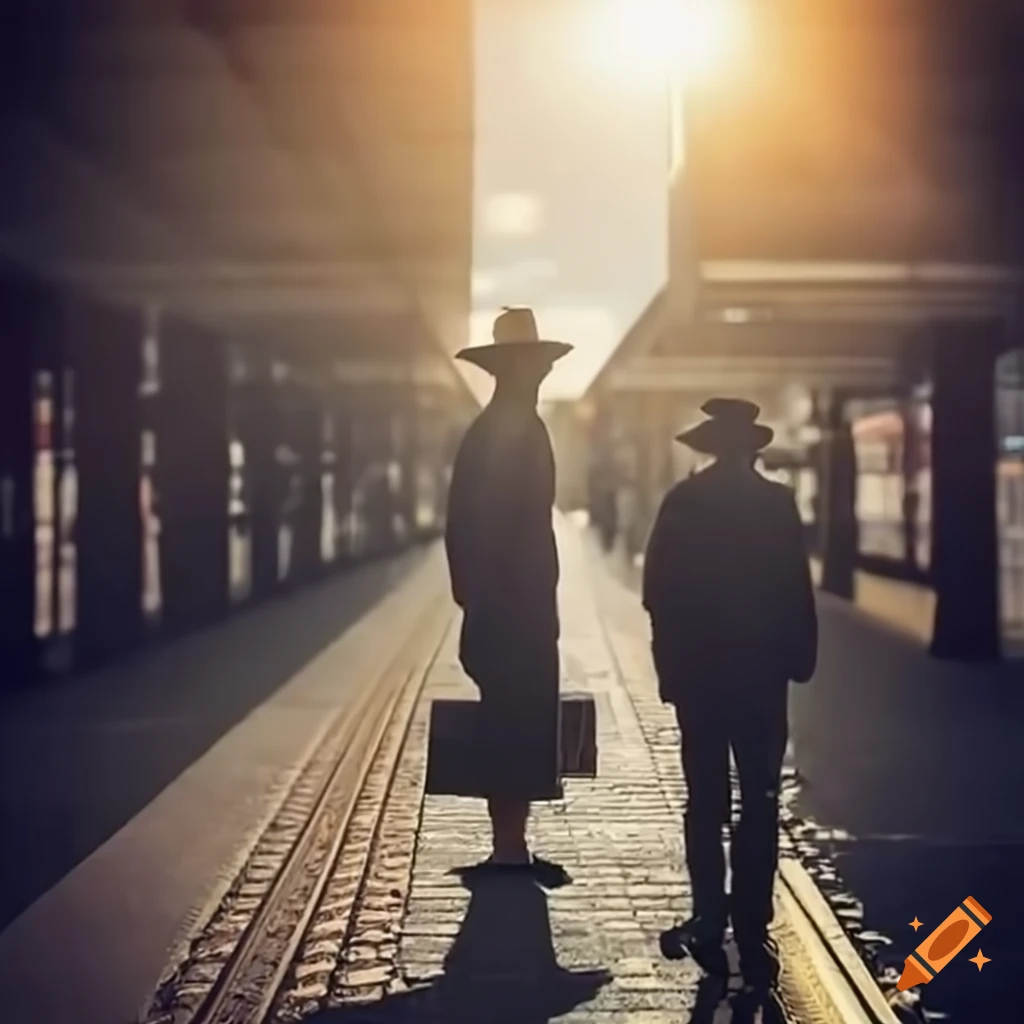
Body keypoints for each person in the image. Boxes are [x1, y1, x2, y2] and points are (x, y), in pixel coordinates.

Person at [642, 398, 818, 999]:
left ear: (709, 447)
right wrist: (799, 658)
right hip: (761, 677)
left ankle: (709, 918)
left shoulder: (682, 502)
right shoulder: (777, 504)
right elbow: (798, 588)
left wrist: (669, 668)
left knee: (706, 801)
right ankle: (753, 924)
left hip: (700, 676)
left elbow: (656, 591)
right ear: (755, 449)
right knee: (761, 800)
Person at [444, 307, 572, 879]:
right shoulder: (512, 428)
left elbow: (459, 525)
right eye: (537, 366)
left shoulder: (494, 426)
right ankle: (508, 848)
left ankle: (511, 844)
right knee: (515, 719)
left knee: (513, 717)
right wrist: (501, 598)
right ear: (518, 369)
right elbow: (493, 525)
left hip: (507, 603)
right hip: (515, 607)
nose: (543, 375)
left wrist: (472, 592)